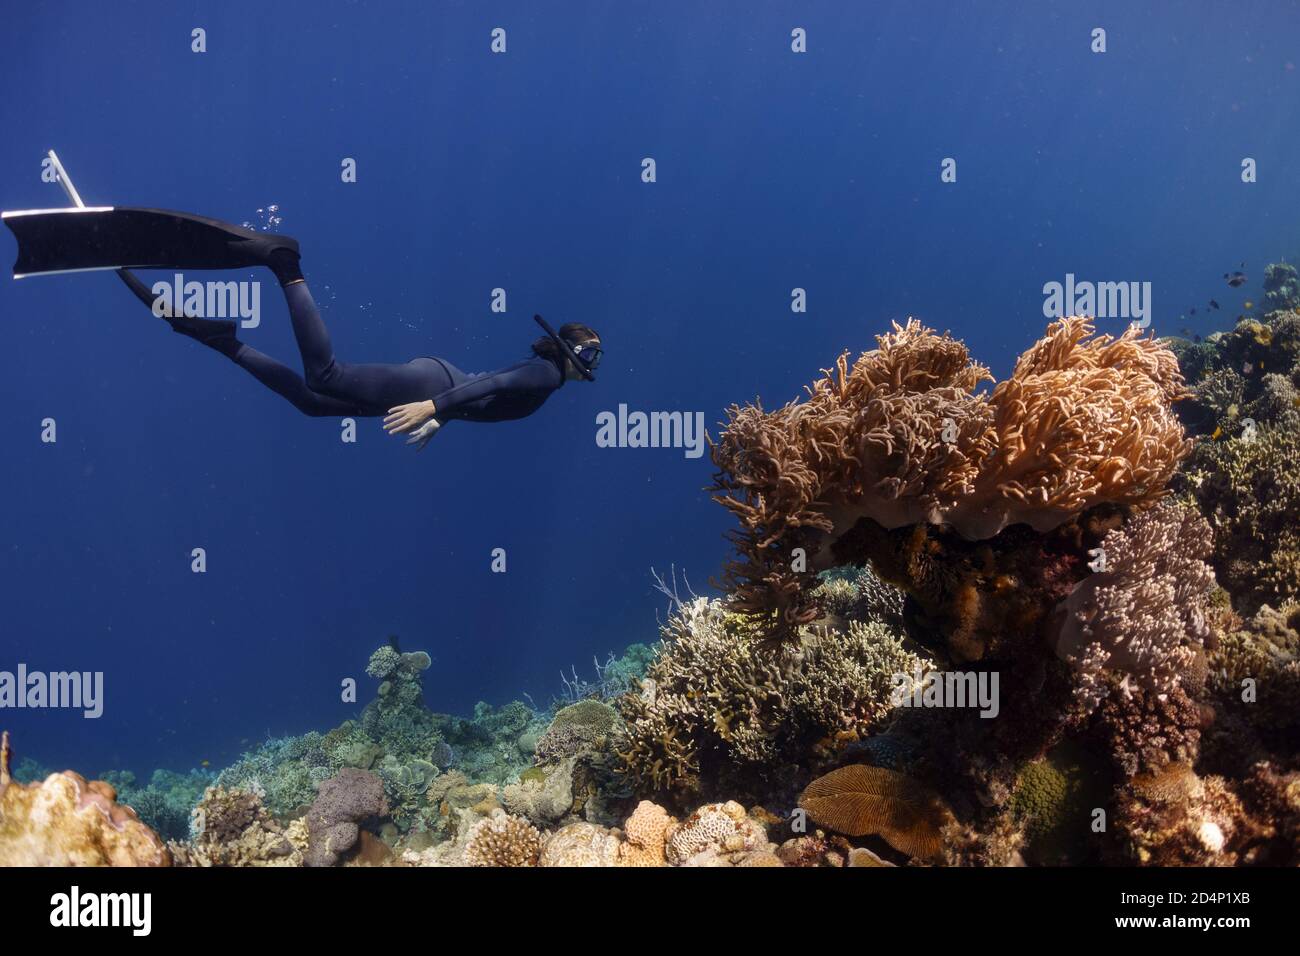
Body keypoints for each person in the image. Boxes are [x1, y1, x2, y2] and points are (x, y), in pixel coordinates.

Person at [4, 205, 602, 449]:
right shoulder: (548, 375)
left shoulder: (549, 374)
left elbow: (491, 386)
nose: (593, 366)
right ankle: (284, 263)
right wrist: (437, 409)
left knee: (315, 404)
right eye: (592, 354)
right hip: (436, 385)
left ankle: (223, 341)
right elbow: (493, 384)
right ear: (571, 351)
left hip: (439, 380)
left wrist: (443, 407)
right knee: (326, 373)